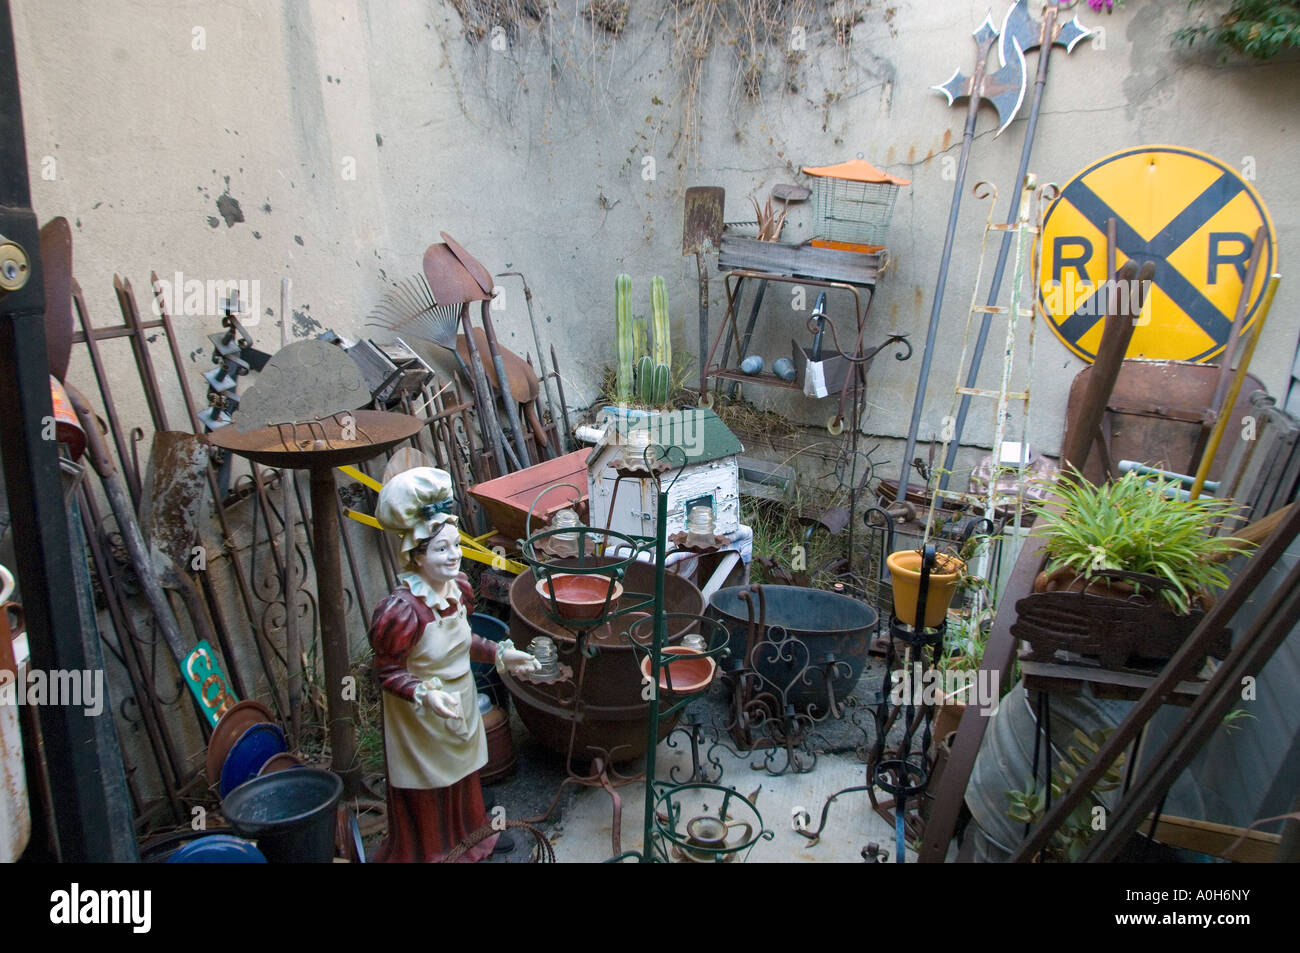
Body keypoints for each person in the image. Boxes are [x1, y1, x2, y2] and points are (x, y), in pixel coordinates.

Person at [368, 467, 539, 862]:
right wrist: (424, 695)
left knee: (463, 775)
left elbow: (463, 644)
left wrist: (501, 654)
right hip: (419, 713)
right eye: (440, 550)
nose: (453, 556)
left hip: (459, 697)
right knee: (430, 783)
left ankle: (472, 836)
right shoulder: (402, 610)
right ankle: (432, 851)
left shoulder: (459, 589)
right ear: (416, 556)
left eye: (455, 545)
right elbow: (387, 671)